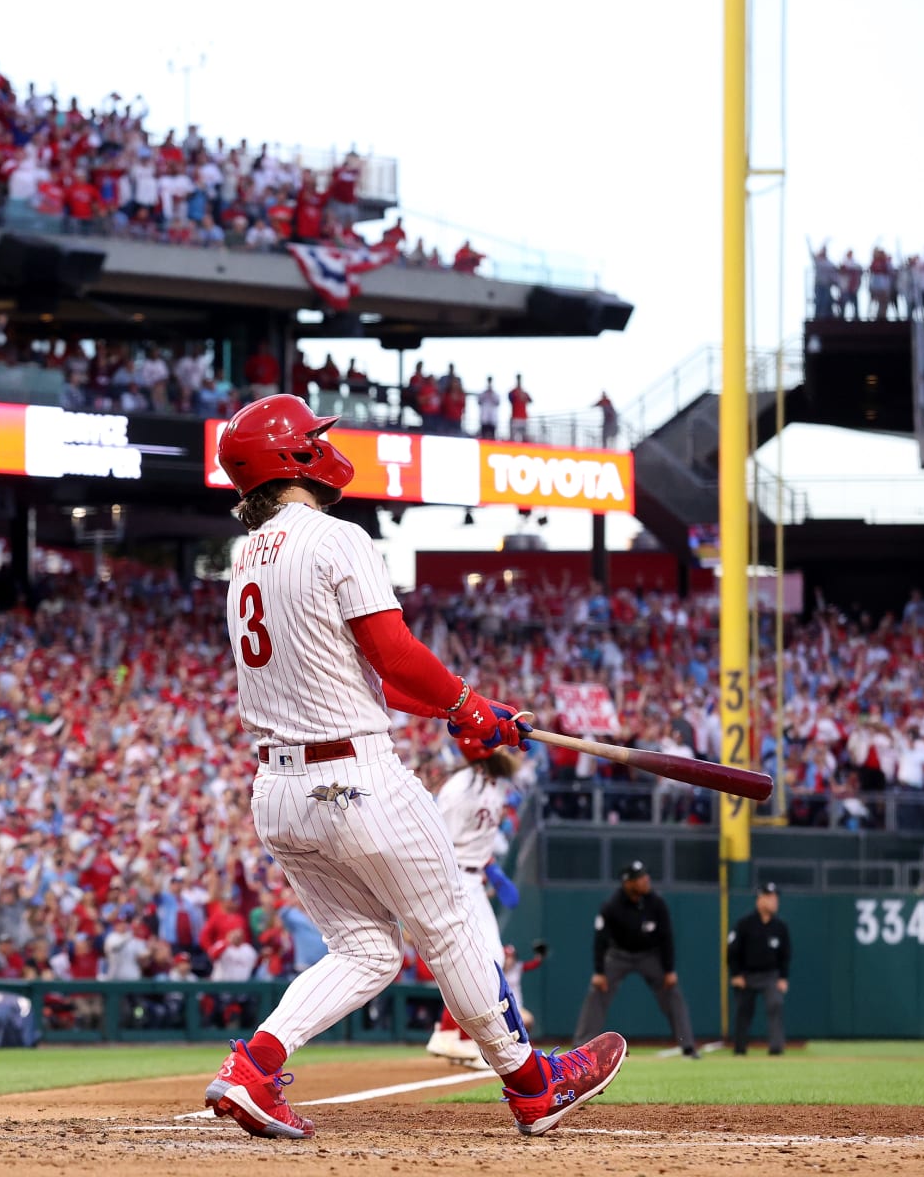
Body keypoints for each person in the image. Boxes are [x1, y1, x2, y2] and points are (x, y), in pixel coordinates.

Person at [201, 394, 626, 1141]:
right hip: (355, 779)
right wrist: (467, 703)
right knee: (453, 923)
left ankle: (252, 1068)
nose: (324, 445)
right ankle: (533, 1086)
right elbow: (393, 652)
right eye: (313, 438)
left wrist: (469, 708)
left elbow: (374, 673)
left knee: (366, 951)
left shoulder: (245, 559)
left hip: (278, 791)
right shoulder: (336, 538)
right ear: (295, 456)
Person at [423, 741, 522, 1068]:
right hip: (455, 879)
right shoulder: (462, 787)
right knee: (485, 957)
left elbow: (475, 837)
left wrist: (492, 871)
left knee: (482, 958)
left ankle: (455, 1036)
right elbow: (438, 840)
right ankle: (458, 1037)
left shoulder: (491, 784)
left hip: (474, 877)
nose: (510, 757)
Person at [573, 861, 698, 1057]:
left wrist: (669, 969)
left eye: (645, 876)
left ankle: (687, 1045)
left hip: (649, 955)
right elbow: (600, 940)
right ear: (628, 883)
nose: (646, 880)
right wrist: (599, 972)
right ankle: (580, 1047)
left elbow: (667, 937)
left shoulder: (656, 903)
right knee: (597, 991)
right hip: (618, 955)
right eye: (640, 878)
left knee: (672, 992)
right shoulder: (612, 905)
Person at [728, 882, 791, 1056]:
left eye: (776, 898)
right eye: (771, 898)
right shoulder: (744, 924)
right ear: (760, 899)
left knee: (775, 1004)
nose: (775, 902)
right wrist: (736, 974)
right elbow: (732, 951)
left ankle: (776, 1048)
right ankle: (740, 1049)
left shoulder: (780, 927)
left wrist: (783, 977)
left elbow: (785, 955)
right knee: (743, 1010)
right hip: (747, 975)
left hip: (770, 975)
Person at [508, 375, 532, 441]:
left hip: (523, 418)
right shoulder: (513, 392)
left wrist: (523, 396)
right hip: (515, 418)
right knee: (513, 438)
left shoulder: (524, 393)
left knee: (524, 438)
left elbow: (531, 400)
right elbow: (509, 398)